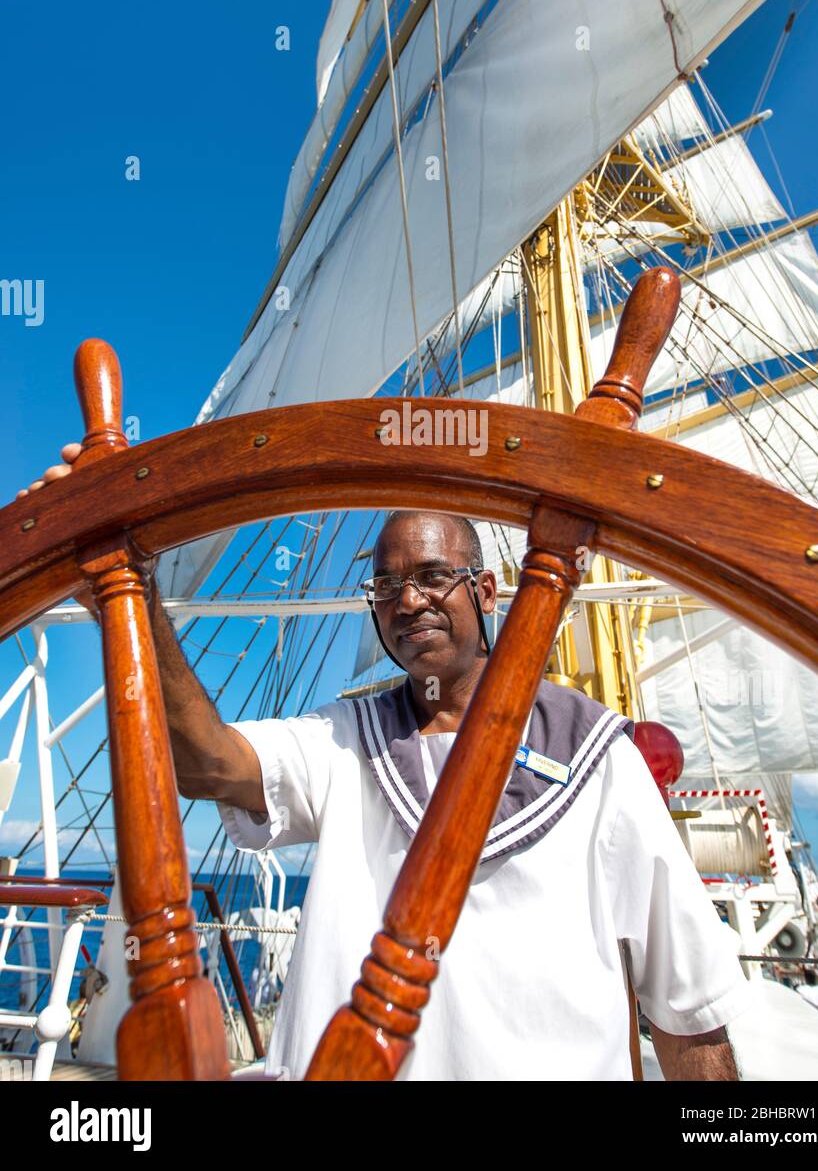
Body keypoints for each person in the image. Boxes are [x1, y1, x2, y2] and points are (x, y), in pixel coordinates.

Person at [17, 447, 754, 1081]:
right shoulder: (345, 739)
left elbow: (687, 1012)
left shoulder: (597, 757)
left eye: (434, 576)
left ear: (488, 590)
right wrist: (128, 590)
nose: (408, 600)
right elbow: (205, 764)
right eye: (385, 586)